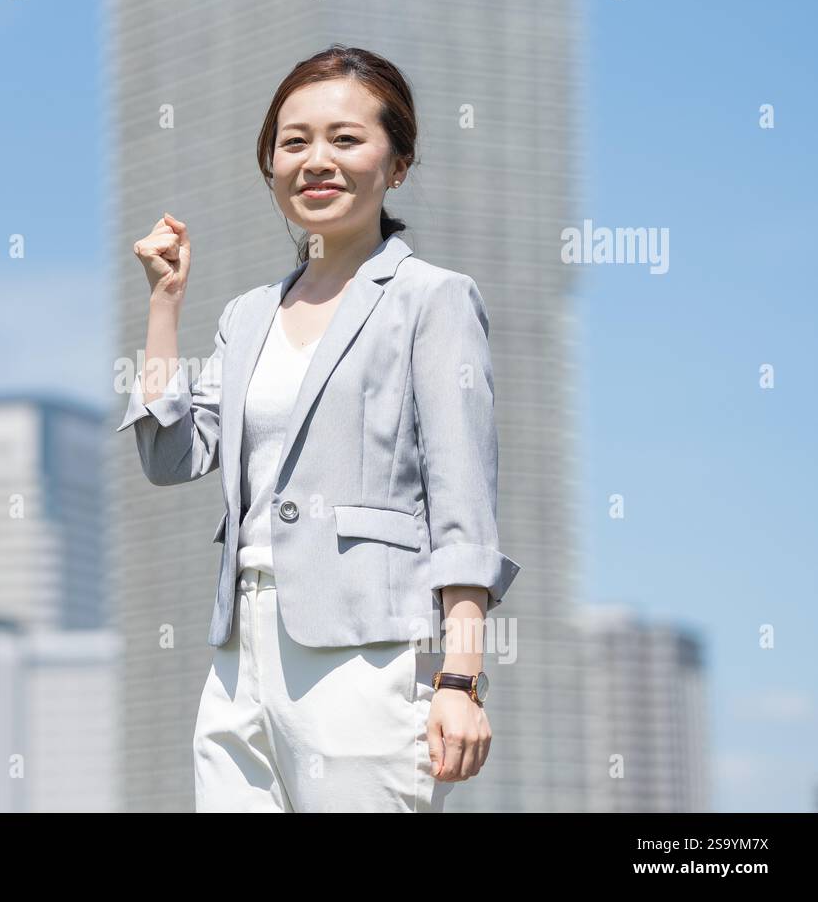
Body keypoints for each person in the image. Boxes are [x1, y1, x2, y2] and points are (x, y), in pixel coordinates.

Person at [116, 44, 520, 812]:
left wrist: (459, 679)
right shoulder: (247, 315)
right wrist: (165, 304)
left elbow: (464, 504)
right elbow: (170, 456)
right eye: (293, 142)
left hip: (363, 655)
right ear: (269, 162)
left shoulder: (430, 300)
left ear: (397, 165)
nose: (315, 160)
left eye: (346, 139)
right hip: (239, 656)